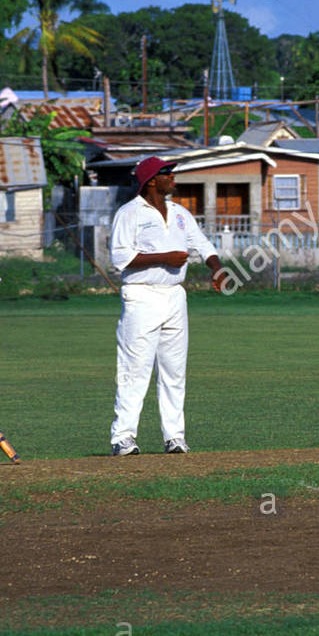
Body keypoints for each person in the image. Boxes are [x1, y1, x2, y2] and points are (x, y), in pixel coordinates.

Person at [108, 156, 226, 456]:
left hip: (174, 295)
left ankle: (174, 437)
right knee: (135, 370)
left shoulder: (179, 213)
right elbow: (120, 258)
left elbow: (203, 245)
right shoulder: (129, 213)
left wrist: (217, 268)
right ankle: (123, 438)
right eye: (166, 173)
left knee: (174, 371)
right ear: (150, 181)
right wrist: (165, 257)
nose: (173, 176)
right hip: (141, 295)